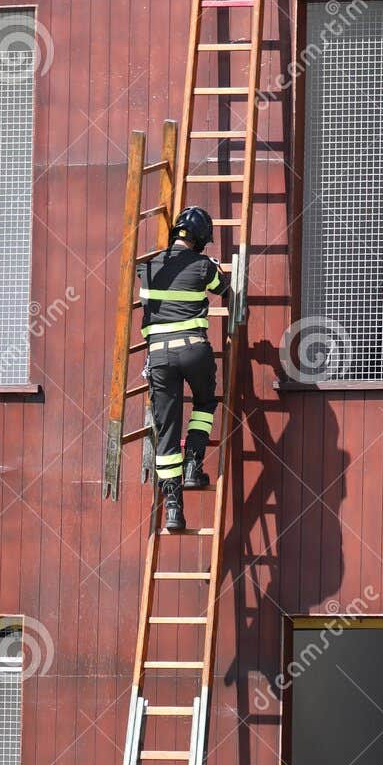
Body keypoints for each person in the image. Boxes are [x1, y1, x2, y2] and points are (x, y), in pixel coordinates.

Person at [139, 207, 230, 533]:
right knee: (205, 402)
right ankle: (194, 462)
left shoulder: (148, 268)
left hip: (160, 358)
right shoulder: (204, 266)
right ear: (202, 238)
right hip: (194, 350)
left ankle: (174, 509)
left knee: (166, 431)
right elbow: (225, 289)